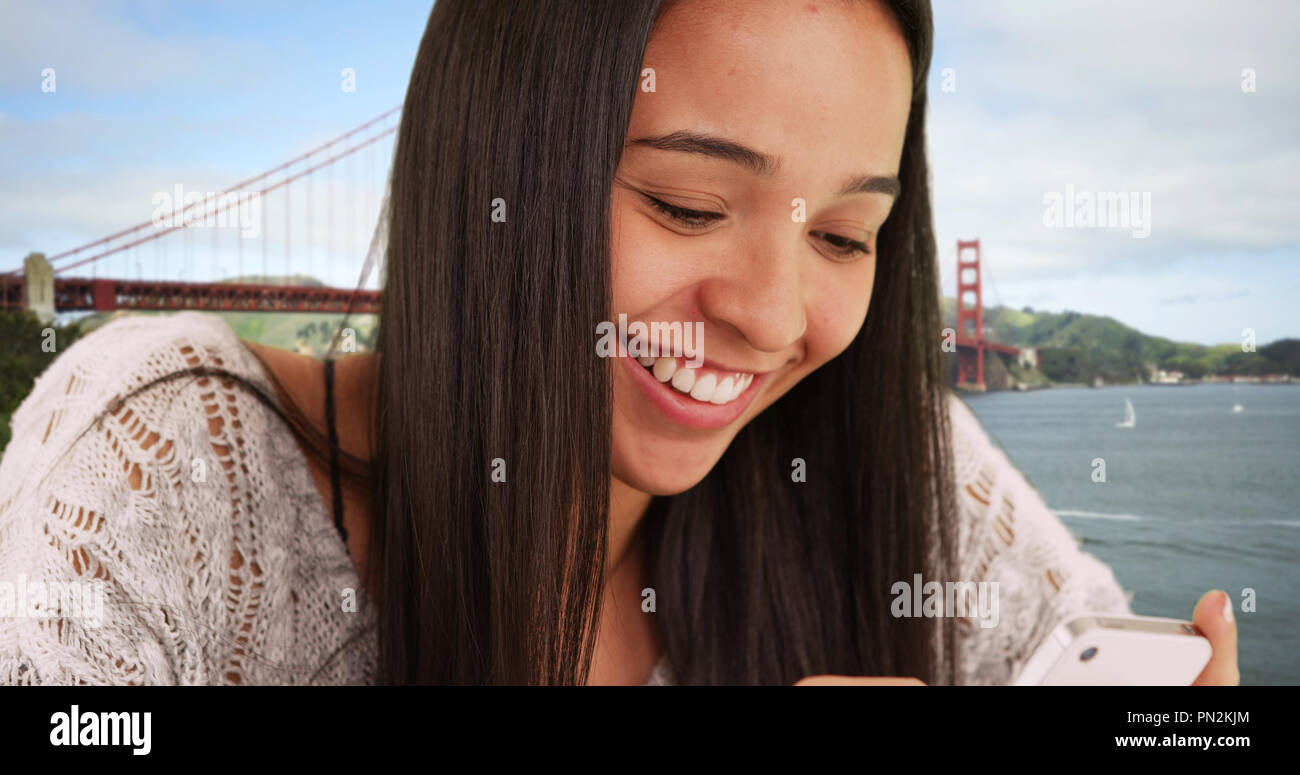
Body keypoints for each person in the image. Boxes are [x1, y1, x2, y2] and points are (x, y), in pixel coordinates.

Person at [0, 0, 1238, 686]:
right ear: (491, 177)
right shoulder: (161, 467)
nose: (768, 314)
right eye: (687, 206)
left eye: (847, 237)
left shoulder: (885, 452)